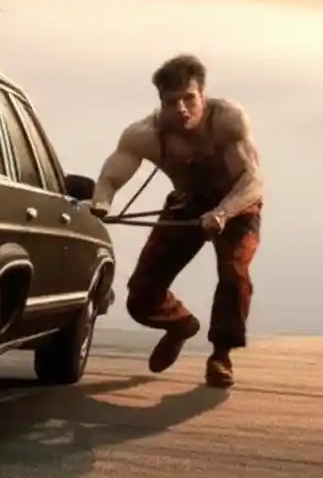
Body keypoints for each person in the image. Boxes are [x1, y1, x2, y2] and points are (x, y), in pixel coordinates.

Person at [88, 54, 263, 388]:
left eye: (189, 99)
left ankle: (221, 355)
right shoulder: (143, 134)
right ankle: (180, 324)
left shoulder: (227, 120)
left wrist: (223, 212)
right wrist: (101, 202)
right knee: (141, 295)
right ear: (161, 102)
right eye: (172, 102)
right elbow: (110, 179)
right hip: (188, 204)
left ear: (203, 94)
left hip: (237, 204)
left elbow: (252, 180)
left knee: (234, 273)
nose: (182, 109)